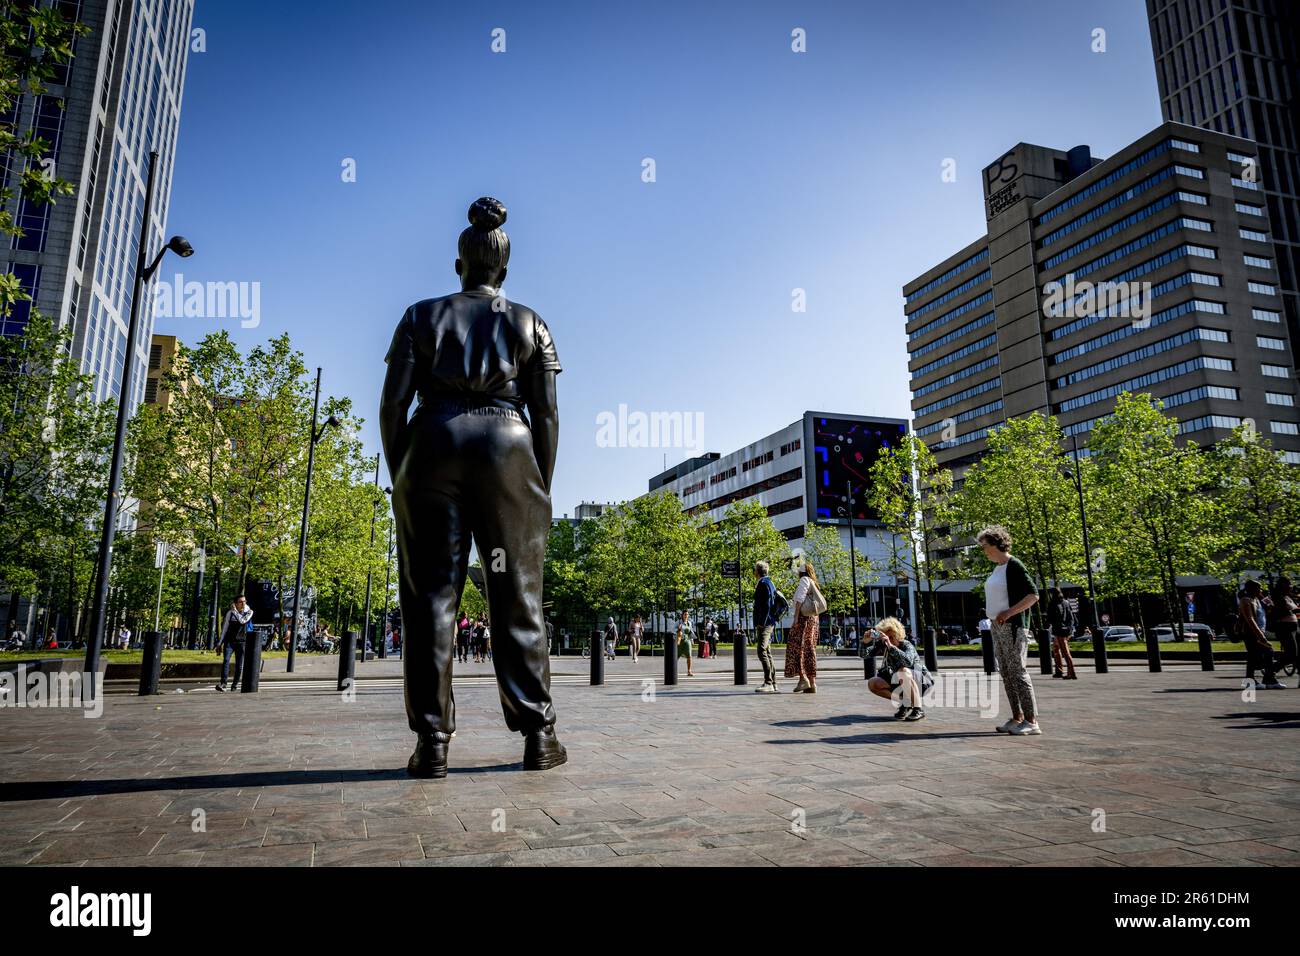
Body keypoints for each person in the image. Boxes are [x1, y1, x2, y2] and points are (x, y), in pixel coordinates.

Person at [380, 196, 565, 777]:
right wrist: (538, 486)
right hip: (508, 450)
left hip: (431, 446)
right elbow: (548, 414)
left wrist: (401, 471)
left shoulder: (420, 315)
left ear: (459, 263)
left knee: (431, 599)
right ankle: (538, 735)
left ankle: (431, 743)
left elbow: (391, 404)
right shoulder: (529, 320)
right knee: (517, 595)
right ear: (503, 271)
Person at [978, 525, 1042, 735]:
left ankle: (1032, 721)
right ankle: (1017, 717)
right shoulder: (998, 567)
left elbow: (1033, 595)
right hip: (998, 626)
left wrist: (1009, 613)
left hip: (1012, 626)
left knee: (1018, 672)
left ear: (996, 544)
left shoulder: (1014, 565)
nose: (983, 550)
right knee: (1006, 672)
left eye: (984, 546)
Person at [865, 617, 927, 721]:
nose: (889, 639)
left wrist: (891, 646)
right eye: (886, 636)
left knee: (902, 671)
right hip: (900, 682)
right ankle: (905, 703)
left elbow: (907, 662)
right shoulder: (883, 645)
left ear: (898, 635)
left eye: (891, 636)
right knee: (872, 683)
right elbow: (864, 655)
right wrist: (865, 642)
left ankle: (918, 709)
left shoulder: (906, 645)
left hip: (920, 682)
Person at [786, 560, 825, 693]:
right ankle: (812, 683)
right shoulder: (813, 582)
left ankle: (803, 679)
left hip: (804, 619)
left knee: (797, 647)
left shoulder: (804, 580)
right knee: (809, 648)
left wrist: (796, 617)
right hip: (813, 619)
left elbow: (800, 599)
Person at [1240, 579, 1286, 689]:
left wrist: (1269, 607)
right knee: (1266, 652)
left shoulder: (1256, 600)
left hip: (1258, 632)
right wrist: (1260, 636)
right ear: (1251, 589)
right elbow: (1250, 619)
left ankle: (1262, 679)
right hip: (1251, 632)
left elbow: (1262, 615)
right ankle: (1266, 679)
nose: (1261, 590)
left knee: (1255, 655)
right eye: (1258, 588)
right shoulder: (1246, 600)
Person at [752, 561, 781, 693]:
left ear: (757, 571)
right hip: (769, 622)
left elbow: (767, 605)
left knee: (761, 651)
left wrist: (761, 622)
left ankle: (769, 682)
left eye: (754, 570)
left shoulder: (764, 583)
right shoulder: (768, 582)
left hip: (765, 623)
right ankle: (773, 683)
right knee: (767, 652)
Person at [215, 596, 253, 692]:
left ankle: (234, 685)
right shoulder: (229, 613)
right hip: (229, 642)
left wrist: (235, 611)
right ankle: (223, 684)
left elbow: (242, 621)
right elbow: (224, 629)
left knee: (239, 664)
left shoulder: (249, 612)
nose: (243, 604)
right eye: (240, 602)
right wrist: (219, 643)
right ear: (235, 603)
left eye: (244, 601)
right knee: (226, 660)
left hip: (242, 642)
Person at [1046, 587, 1078, 680]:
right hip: (1066, 630)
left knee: (1065, 652)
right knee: (1056, 649)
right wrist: (1070, 629)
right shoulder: (1066, 602)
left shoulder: (1052, 604)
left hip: (1059, 630)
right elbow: (1071, 617)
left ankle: (1071, 673)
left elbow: (1050, 618)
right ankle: (1059, 671)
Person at [1269, 576, 1297, 671]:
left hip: (1294, 627)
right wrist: (1295, 610)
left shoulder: (1288, 596)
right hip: (1284, 628)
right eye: (1289, 584)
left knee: (1297, 653)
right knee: (1291, 654)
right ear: (1282, 585)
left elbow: (1293, 609)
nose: (1291, 586)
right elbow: (1281, 610)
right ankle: (1271, 672)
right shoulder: (1277, 596)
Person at [675, 609, 695, 677]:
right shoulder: (678, 622)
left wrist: (692, 640)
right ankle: (673, 671)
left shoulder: (689, 623)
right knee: (676, 657)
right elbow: (673, 630)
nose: (686, 616)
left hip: (687, 641)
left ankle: (689, 671)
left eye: (687, 614)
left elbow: (690, 632)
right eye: (685, 614)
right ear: (682, 615)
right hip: (679, 641)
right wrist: (678, 629)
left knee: (689, 656)